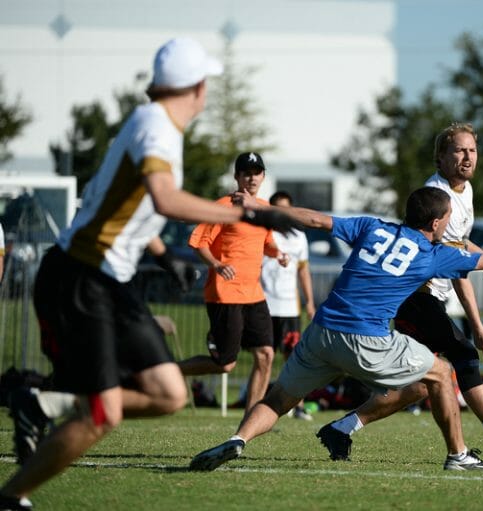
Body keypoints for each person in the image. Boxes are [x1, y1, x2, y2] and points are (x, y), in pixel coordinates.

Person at [0, 37, 300, 511]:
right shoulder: (157, 128)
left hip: (106, 278)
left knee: (168, 394)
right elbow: (163, 198)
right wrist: (248, 217)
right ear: (197, 87)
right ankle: (13, 496)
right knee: (105, 413)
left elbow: (130, 207)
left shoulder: (156, 127)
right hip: (80, 275)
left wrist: (163, 254)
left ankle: (41, 405)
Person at [188, 186, 483, 473]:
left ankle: (239, 439)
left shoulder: (369, 226)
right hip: (366, 339)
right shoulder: (432, 256)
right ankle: (459, 455)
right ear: (435, 223)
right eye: (447, 220)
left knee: (279, 398)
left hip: (322, 331)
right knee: (440, 372)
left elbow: (312, 218)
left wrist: (257, 205)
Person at [317, 122, 483, 466]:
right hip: (415, 296)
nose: (467, 157)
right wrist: (478, 323)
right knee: (464, 352)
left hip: (427, 298)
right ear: (440, 157)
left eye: (471, 150)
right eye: (458, 150)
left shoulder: (464, 191)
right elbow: (454, 268)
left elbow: (456, 243)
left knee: (424, 384)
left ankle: (343, 427)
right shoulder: (437, 194)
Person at [177, 152, 287, 412]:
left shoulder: (262, 209)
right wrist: (216, 264)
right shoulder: (224, 206)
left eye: (256, 172)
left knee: (266, 355)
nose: (251, 177)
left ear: (263, 177)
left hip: (254, 293)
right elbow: (198, 242)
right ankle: (168, 370)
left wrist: (278, 253)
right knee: (225, 364)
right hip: (225, 293)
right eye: (246, 172)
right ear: (236, 176)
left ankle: (251, 419)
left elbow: (266, 241)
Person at [261, 190, 316, 420]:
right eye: (277, 208)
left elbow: (303, 271)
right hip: (263, 303)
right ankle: (258, 404)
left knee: (293, 357)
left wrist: (309, 301)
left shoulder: (298, 237)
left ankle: (299, 406)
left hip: (289, 306)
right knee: (264, 356)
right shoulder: (263, 232)